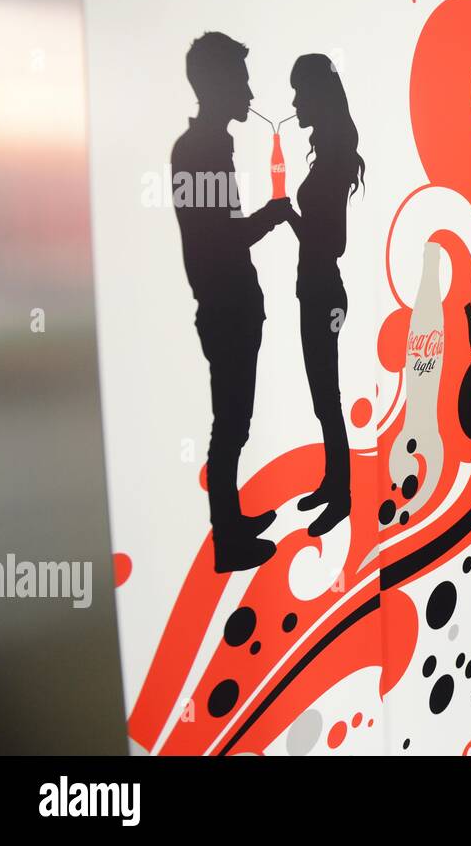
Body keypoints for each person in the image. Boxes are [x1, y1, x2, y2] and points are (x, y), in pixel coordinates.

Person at [171, 32, 290, 573]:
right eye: (240, 80)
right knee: (231, 426)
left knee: (233, 423)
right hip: (227, 309)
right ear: (217, 85)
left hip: (227, 305)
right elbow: (225, 237)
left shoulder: (205, 146)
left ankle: (233, 523)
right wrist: (277, 212)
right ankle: (229, 543)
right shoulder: (205, 150)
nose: (249, 90)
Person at [283, 54, 365, 537]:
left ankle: (342, 496)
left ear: (317, 95)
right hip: (314, 289)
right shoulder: (330, 150)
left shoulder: (334, 156)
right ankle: (334, 486)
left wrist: (289, 217)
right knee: (323, 399)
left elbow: (334, 241)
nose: (294, 102)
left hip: (324, 292)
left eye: (299, 92)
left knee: (327, 399)